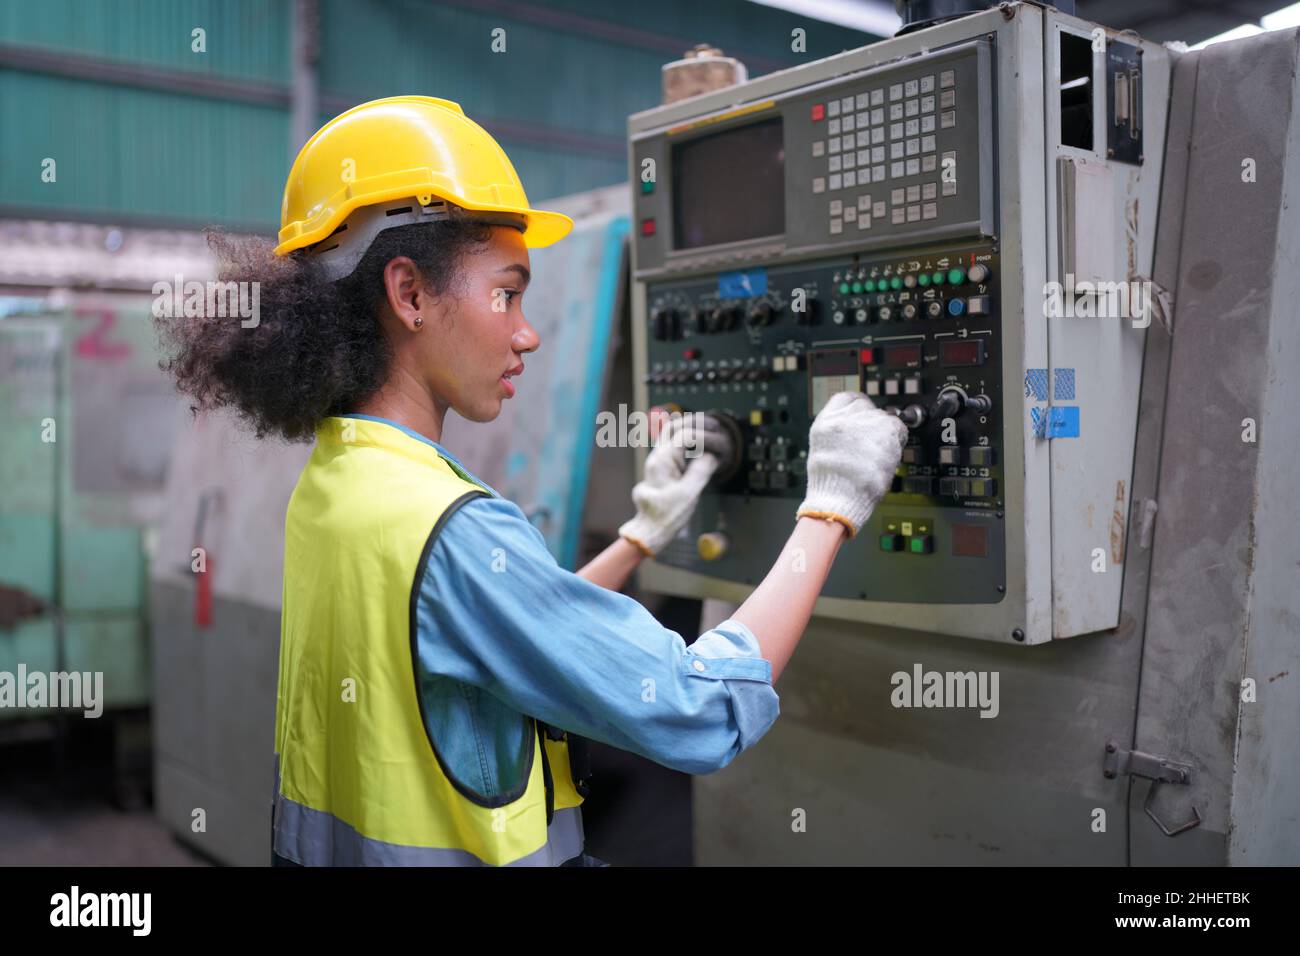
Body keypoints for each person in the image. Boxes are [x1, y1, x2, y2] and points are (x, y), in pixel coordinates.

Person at [159, 95, 906, 867]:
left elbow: (505, 636)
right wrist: (831, 506)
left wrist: (638, 537)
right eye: (507, 293)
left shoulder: (338, 485)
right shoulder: (449, 527)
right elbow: (702, 711)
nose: (528, 331)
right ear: (410, 293)